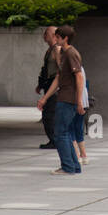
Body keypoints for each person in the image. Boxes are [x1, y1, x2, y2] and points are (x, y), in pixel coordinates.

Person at [36, 24, 85, 174]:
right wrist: (44, 98)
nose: (55, 39)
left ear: (65, 38)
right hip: (63, 97)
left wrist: (79, 101)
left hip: (68, 98)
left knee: (60, 133)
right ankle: (74, 166)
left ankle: (68, 167)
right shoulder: (63, 54)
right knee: (63, 132)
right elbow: (58, 78)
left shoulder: (71, 54)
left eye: (57, 37)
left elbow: (79, 77)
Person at [35, 26, 60, 149]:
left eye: (47, 33)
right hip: (48, 83)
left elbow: (61, 71)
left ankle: (55, 140)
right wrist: (40, 84)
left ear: (54, 35)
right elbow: (44, 69)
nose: (44, 35)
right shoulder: (49, 51)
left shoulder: (57, 50)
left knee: (49, 115)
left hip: (55, 86)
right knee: (48, 114)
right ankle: (53, 140)